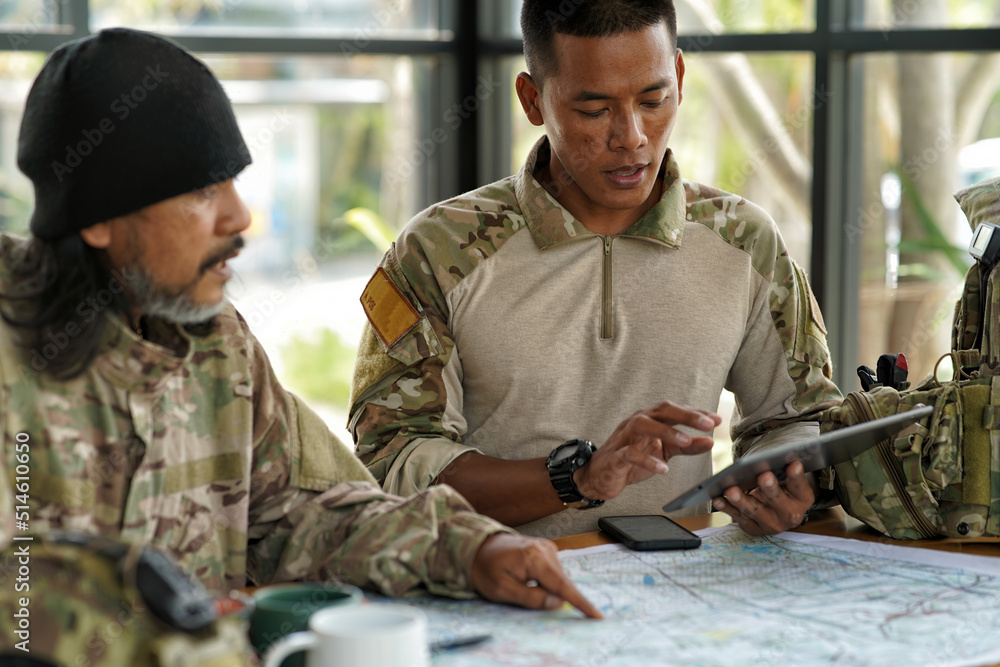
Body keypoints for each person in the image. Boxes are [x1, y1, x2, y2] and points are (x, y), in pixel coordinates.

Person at [0, 27, 600, 622]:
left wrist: (469, 549)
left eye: (234, 181)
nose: (239, 216)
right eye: (203, 192)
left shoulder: (216, 343)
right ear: (98, 220)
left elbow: (300, 511)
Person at [349, 0, 844, 539]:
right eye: (594, 110)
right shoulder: (437, 249)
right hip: (497, 590)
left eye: (654, 99)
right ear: (532, 99)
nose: (631, 137)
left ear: (679, 74)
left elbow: (798, 418)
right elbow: (392, 460)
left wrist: (785, 487)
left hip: (687, 595)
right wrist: (576, 478)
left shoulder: (744, 240)